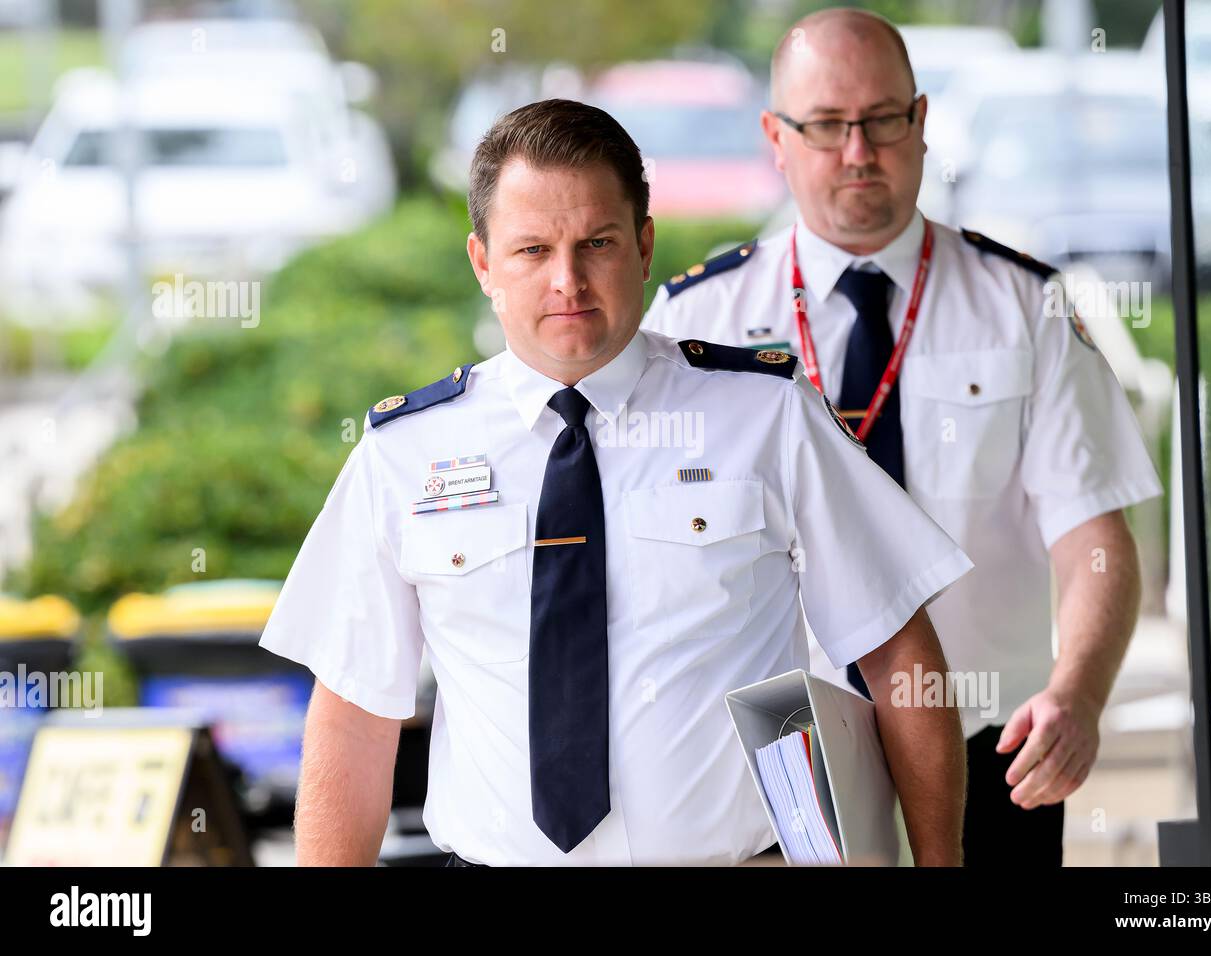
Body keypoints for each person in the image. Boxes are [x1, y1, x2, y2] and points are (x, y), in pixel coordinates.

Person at [258, 98, 973, 867]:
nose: (568, 280)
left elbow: (899, 653)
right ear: (483, 263)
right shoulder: (404, 453)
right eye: (532, 250)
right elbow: (355, 716)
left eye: (596, 242)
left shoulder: (765, 414)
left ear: (642, 245)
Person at [641, 8, 1163, 866]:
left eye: (883, 120)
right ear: (776, 136)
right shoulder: (699, 321)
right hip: (780, 756)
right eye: (826, 126)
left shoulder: (1022, 305)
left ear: (921, 122)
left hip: (995, 747)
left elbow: (1095, 537)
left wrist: (1078, 694)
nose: (858, 151)